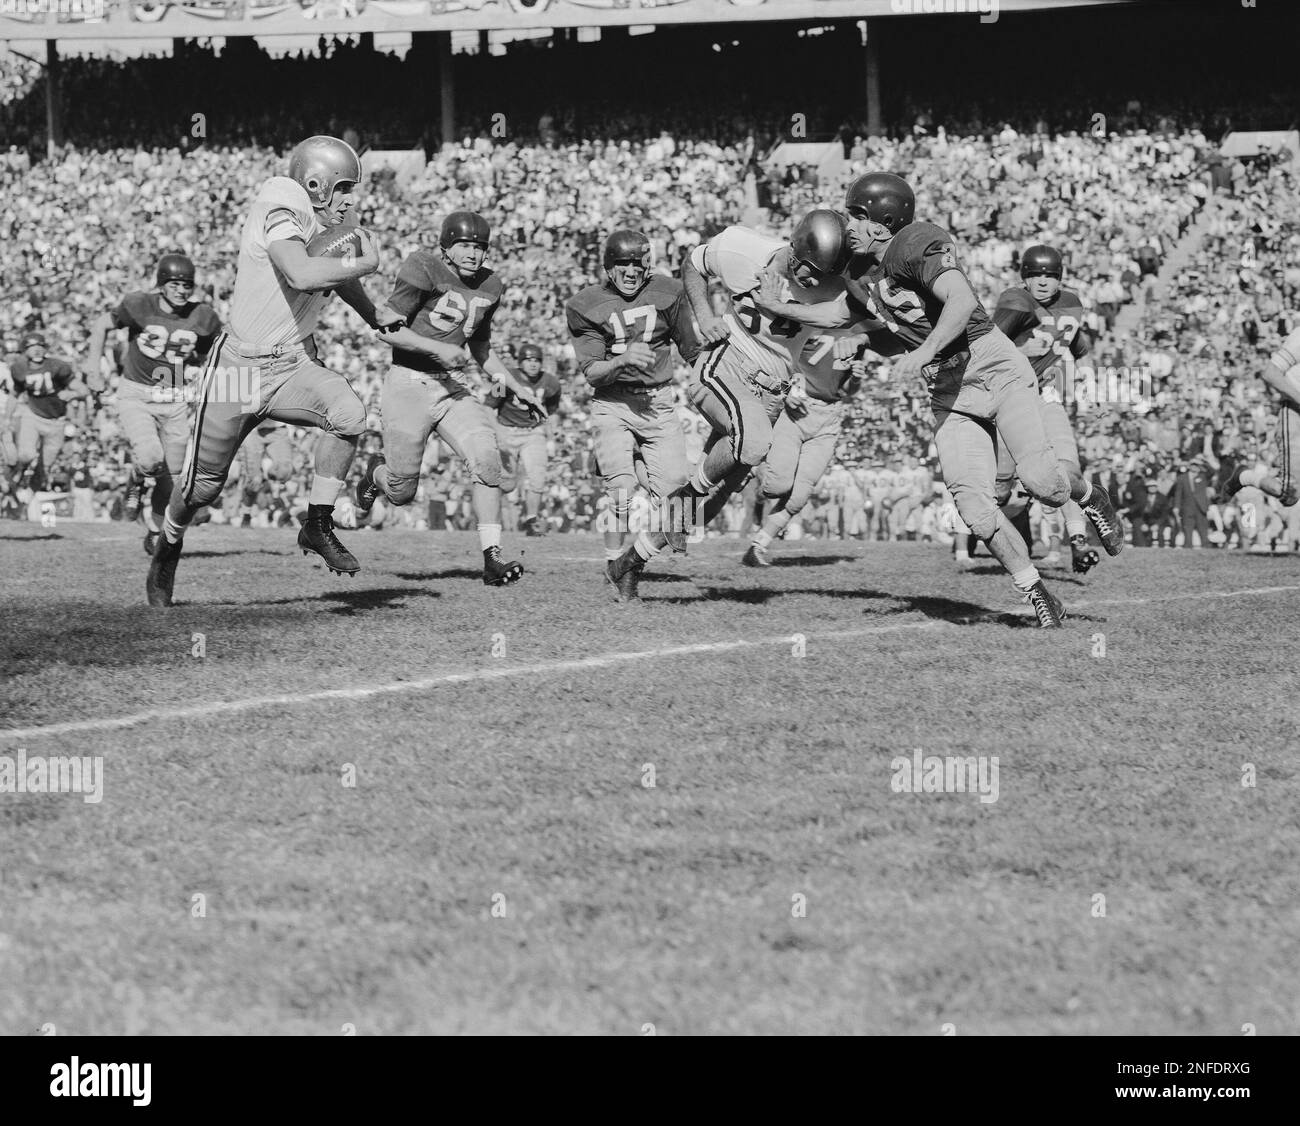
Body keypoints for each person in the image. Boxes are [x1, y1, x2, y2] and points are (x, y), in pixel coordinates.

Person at [756, 173, 1124, 628]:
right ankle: (1037, 592)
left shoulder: (916, 240)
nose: (847, 223)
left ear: (882, 221)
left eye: (856, 214)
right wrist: (781, 308)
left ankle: (1091, 496)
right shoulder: (856, 271)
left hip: (991, 366)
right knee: (973, 505)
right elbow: (839, 314)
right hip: (948, 391)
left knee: (1046, 485)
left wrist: (924, 352)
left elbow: (961, 299)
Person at [147, 135, 401, 607]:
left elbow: (330, 272)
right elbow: (302, 273)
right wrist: (367, 260)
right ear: (315, 183)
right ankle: (170, 540)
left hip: (292, 363)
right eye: (343, 188)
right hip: (239, 367)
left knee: (349, 414)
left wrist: (372, 314)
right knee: (202, 487)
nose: (350, 199)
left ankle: (317, 524)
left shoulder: (327, 219)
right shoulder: (280, 202)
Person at [355, 210, 544, 586]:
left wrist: (520, 389)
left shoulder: (491, 285)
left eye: (480, 247)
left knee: (487, 460)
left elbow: (482, 348)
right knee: (401, 492)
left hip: (453, 386)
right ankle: (375, 473)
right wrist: (434, 349)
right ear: (446, 247)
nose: (474, 254)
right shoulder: (422, 266)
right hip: (409, 383)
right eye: (465, 246)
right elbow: (385, 328)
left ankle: (492, 560)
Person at [565, 229, 699, 602]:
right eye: (621, 263)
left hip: (657, 402)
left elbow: (690, 348)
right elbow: (591, 371)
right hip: (613, 403)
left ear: (647, 263)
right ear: (608, 267)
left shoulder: (668, 291)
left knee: (680, 504)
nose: (629, 270)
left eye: (636, 262)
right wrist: (622, 359)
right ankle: (613, 564)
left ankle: (625, 565)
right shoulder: (584, 304)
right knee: (621, 492)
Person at [84, 253, 222, 554]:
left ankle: (155, 531)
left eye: (186, 285)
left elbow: (209, 354)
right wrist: (93, 367)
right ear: (161, 284)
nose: (181, 290)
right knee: (149, 458)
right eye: (175, 284)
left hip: (174, 401)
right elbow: (101, 324)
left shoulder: (202, 316)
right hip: (137, 395)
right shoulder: (139, 304)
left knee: (171, 478)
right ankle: (137, 476)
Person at [991, 245, 1101, 573]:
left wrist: (1090, 389)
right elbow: (983, 346)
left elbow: (1081, 349)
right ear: (1024, 277)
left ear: (1060, 278)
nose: (1042, 281)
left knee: (1065, 468)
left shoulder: (1070, 304)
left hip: (1046, 394)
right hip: (1009, 399)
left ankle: (1079, 542)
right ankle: (979, 539)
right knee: (999, 486)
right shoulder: (1015, 301)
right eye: (1035, 274)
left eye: (1050, 275)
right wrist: (1020, 349)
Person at [488, 342, 561, 537]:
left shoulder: (551, 382)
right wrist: (498, 432)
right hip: (506, 429)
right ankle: (490, 522)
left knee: (538, 477)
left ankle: (531, 521)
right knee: (503, 482)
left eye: (536, 360)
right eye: (528, 360)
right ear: (521, 362)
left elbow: (552, 411)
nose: (533, 364)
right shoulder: (505, 378)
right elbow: (488, 408)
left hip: (533, 432)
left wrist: (554, 428)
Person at [8, 331, 89, 492]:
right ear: (25, 350)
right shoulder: (19, 368)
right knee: (26, 454)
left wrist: (72, 394)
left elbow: (83, 390)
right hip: (32, 416)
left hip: (56, 423)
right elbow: (14, 395)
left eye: (40, 345)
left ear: (45, 348)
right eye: (32, 346)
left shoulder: (57, 366)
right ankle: (15, 473)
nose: (37, 350)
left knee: (45, 467)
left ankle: (27, 498)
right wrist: (5, 418)